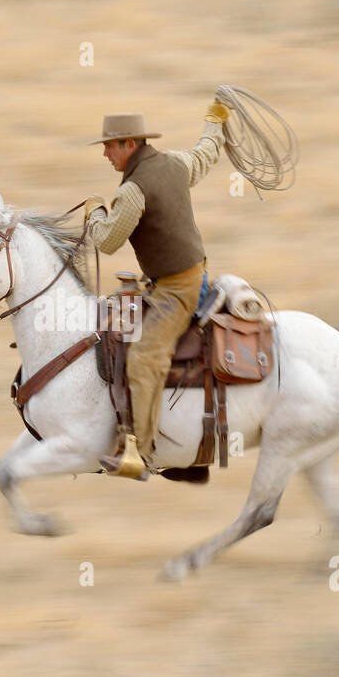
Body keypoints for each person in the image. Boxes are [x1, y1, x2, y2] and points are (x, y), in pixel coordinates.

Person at [85, 102, 229, 479]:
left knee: (145, 357)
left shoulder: (133, 191)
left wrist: (95, 211)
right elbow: (207, 152)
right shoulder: (176, 164)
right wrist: (215, 121)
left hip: (176, 290)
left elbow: (107, 241)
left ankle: (140, 453)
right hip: (181, 278)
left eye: (109, 146)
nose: (105, 154)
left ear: (130, 144)